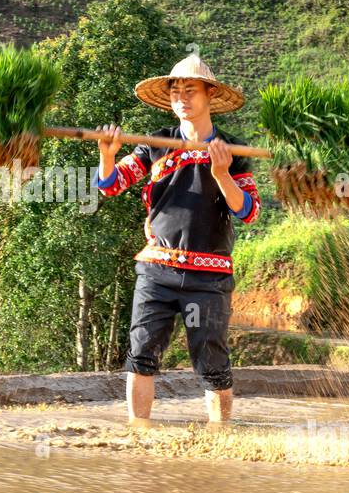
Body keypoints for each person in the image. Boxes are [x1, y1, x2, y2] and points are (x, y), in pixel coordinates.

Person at [94, 54, 259, 426]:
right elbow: (111, 185)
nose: (182, 98)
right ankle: (140, 434)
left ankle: (221, 438)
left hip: (209, 277)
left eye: (190, 90)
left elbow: (248, 210)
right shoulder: (155, 143)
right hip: (157, 270)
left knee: (212, 363)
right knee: (141, 354)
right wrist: (107, 157)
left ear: (210, 95)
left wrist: (221, 173)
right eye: (176, 92)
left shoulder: (233, 153)